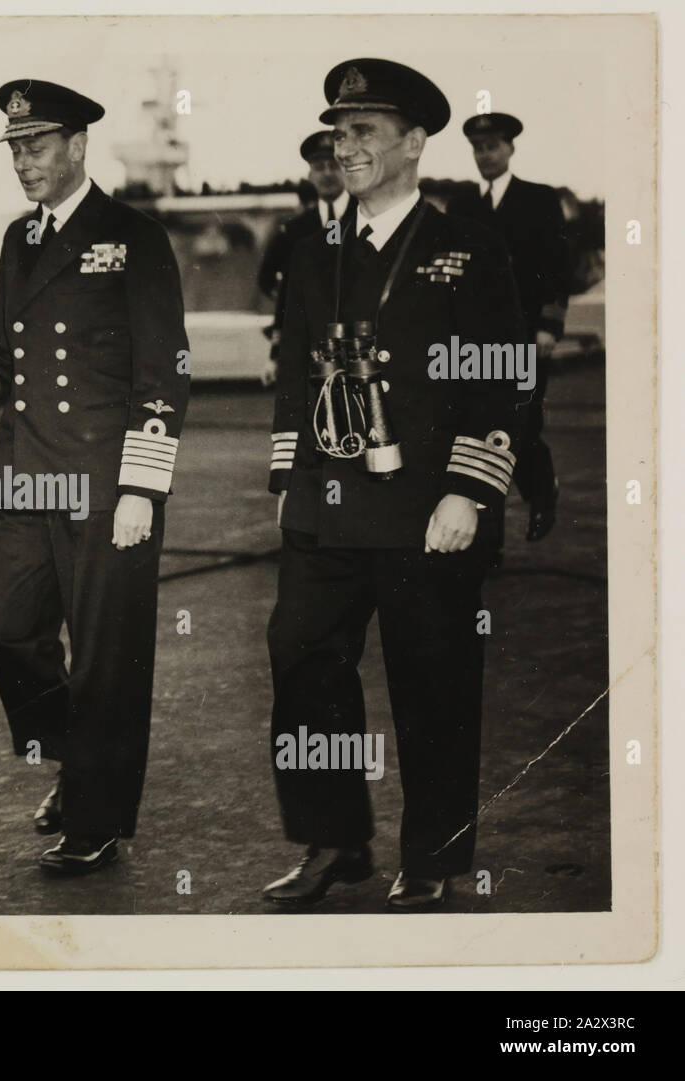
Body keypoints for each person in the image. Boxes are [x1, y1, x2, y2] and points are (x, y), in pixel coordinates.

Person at [263, 60, 526, 909]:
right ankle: (335, 839)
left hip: (428, 510)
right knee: (302, 660)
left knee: (433, 681)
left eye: (365, 131)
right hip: (326, 509)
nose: (347, 146)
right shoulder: (312, 253)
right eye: (339, 132)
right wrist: (285, 480)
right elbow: (294, 379)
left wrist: (471, 490)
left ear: (414, 143)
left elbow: (504, 376)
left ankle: (436, 857)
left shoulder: (468, 248)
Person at [0, 80, 190, 875]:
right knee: (1, 625)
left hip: (109, 480)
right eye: (14, 148)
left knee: (107, 653)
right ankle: (79, 760)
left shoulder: (134, 236)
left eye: (36, 146)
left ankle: (96, 815)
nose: (23, 162)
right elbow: (5, 355)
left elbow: (164, 371)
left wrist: (143, 485)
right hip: (26, 470)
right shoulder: (20, 240)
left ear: (77, 145)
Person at [448, 113, 569, 542]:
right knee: (478, 430)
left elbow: (558, 268)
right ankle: (489, 538)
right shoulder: (462, 206)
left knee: (522, 424)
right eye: (478, 149)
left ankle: (542, 492)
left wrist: (549, 326)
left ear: (510, 149)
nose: (485, 156)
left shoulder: (539, 200)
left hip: (525, 336)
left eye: (492, 147)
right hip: (475, 340)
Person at [257, 131, 354, 370]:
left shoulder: (368, 219)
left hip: (358, 346)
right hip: (311, 348)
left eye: (334, 165)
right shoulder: (294, 231)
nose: (328, 173)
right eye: (319, 167)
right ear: (310, 174)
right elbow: (283, 292)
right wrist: (275, 353)